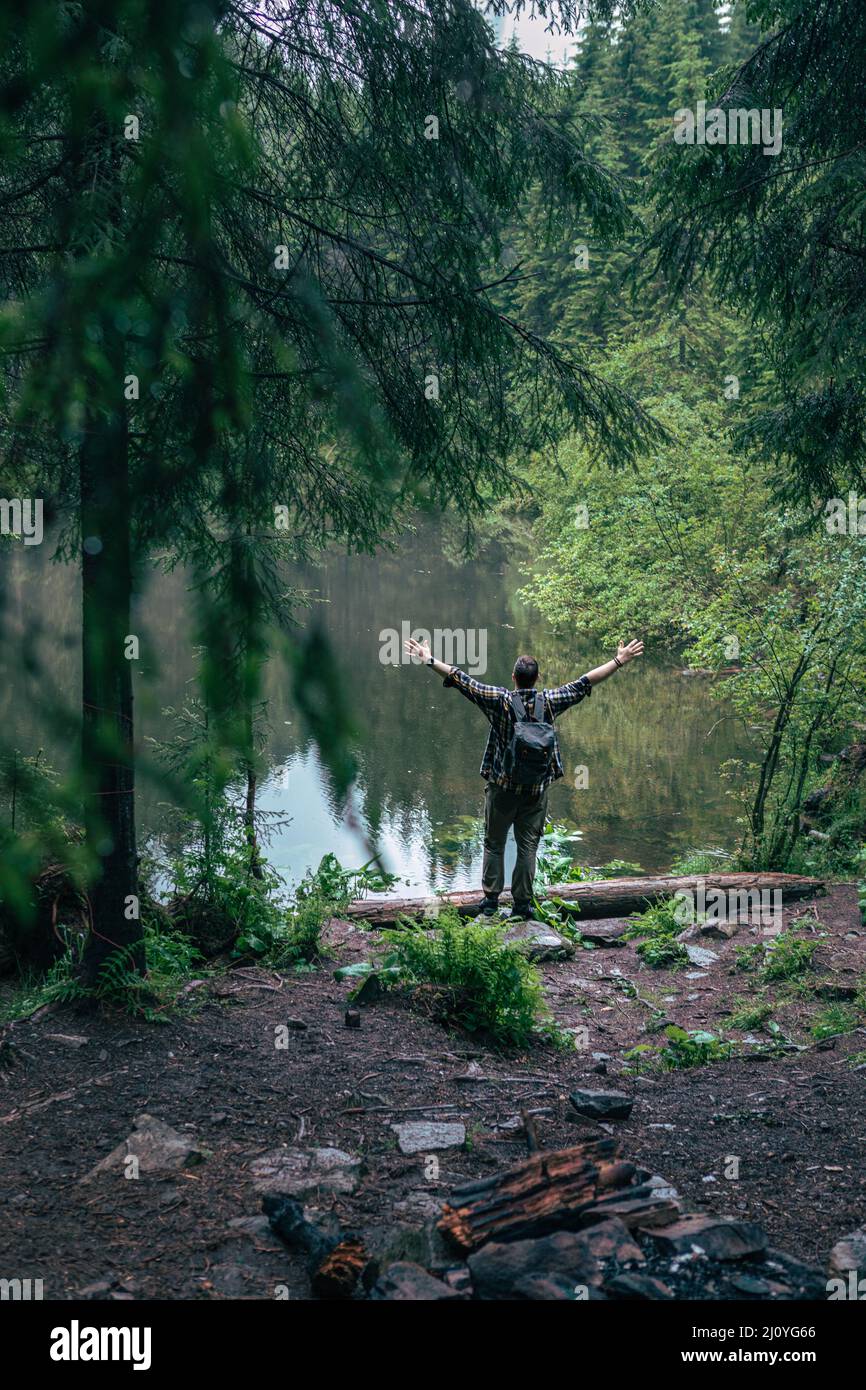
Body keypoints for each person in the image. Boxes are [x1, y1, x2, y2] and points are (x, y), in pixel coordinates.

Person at [404, 636, 644, 919]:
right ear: (537, 678)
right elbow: (585, 682)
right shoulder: (551, 701)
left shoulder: (499, 701)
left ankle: (491, 902)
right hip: (535, 792)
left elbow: (461, 679)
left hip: (502, 789)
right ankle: (521, 905)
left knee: (494, 844)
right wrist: (619, 660)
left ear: (514, 677)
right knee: (528, 846)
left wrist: (428, 659)